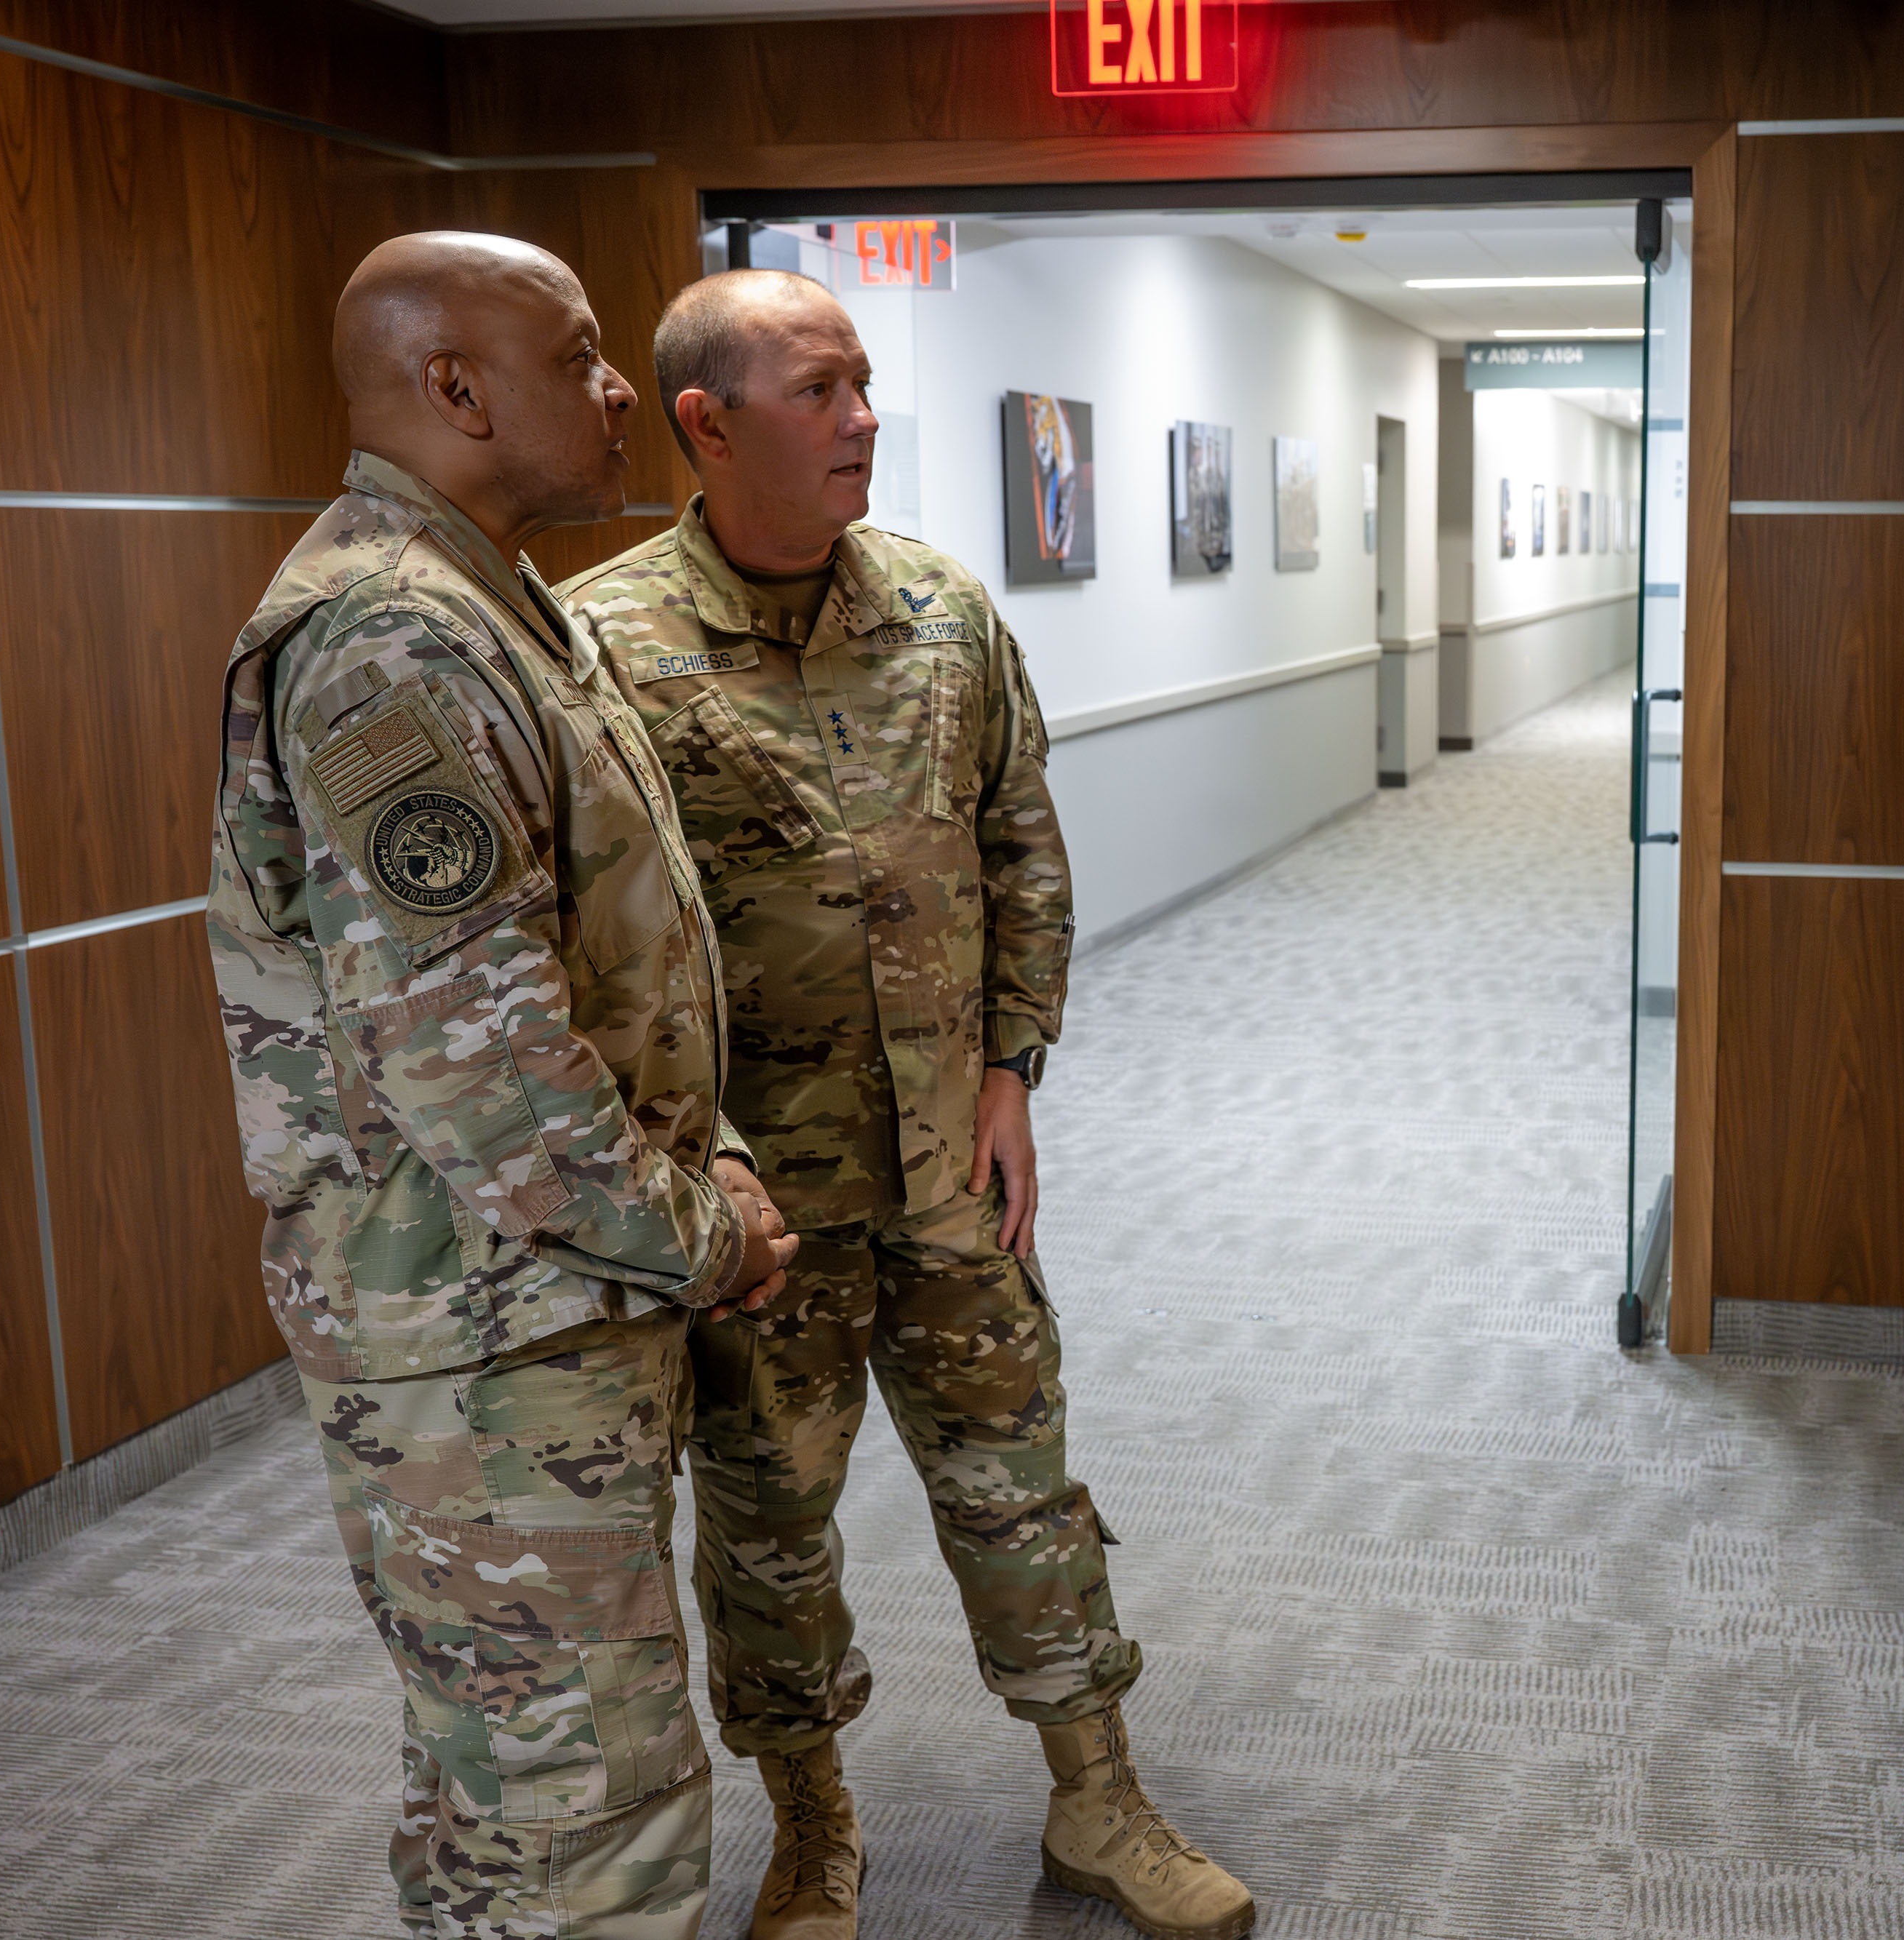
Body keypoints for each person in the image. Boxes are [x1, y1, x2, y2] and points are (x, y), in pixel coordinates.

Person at [558, 268, 1254, 1940]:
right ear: (707, 423)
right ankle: (812, 1825)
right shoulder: (599, 645)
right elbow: (588, 946)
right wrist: (693, 1176)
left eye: (864, 381)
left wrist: (1013, 1068)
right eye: (819, 389)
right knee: (767, 1524)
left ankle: (1097, 1793)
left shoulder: (942, 611)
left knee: (1021, 1482)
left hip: (952, 1165)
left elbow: (1020, 844)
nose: (862, 417)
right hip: (757, 1204)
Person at [206, 232, 800, 1939]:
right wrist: (706, 1232)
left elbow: (617, 962)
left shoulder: (493, 600)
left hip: (545, 1307)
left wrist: (711, 1155)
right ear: (456, 387)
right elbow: (482, 1072)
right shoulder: (393, 638)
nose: (617, 391)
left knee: (508, 1793)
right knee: (583, 1821)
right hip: (486, 1338)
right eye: (580, 355)